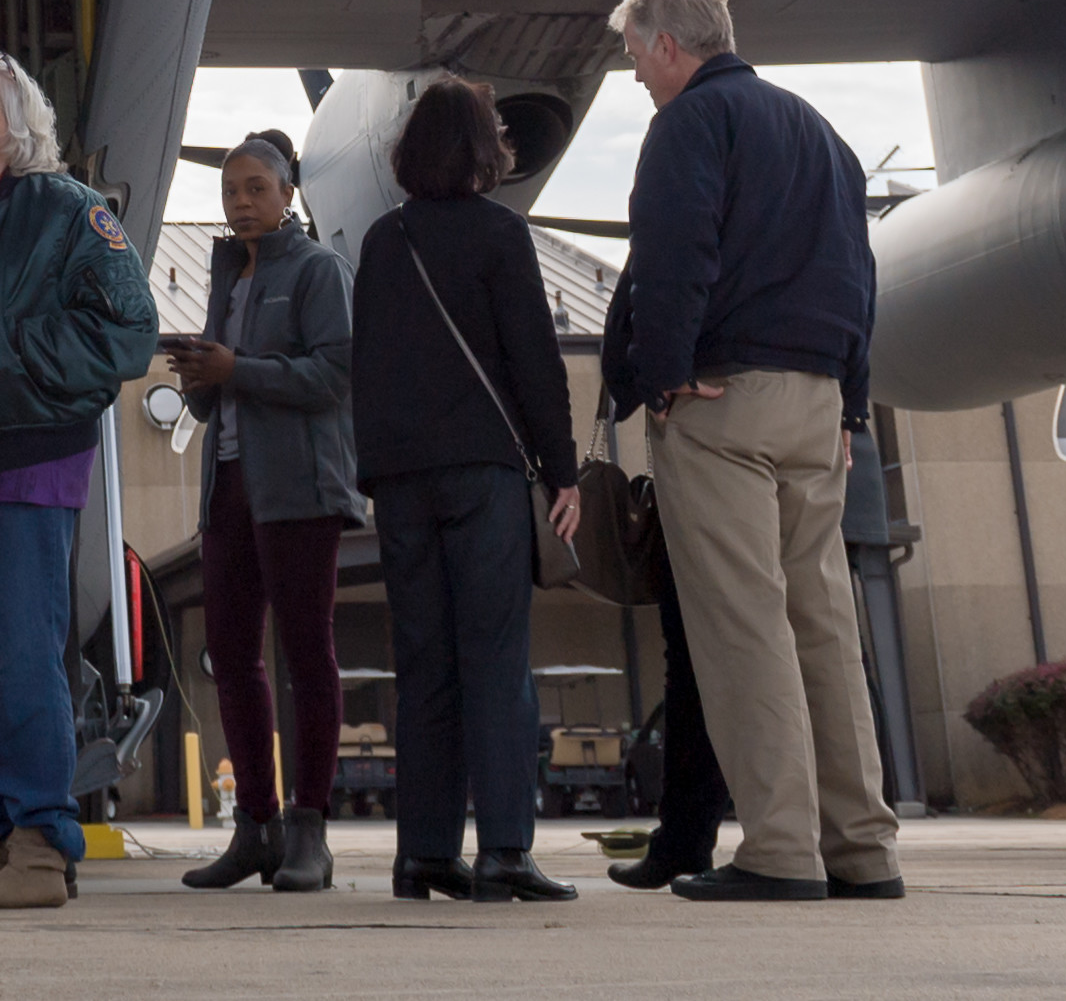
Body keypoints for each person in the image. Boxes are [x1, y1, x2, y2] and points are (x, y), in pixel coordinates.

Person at [611, 0, 896, 905]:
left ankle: (780, 846)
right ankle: (862, 845)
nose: (637, 75)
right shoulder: (822, 134)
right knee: (824, 623)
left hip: (722, 398)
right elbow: (860, 270)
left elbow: (674, 250)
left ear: (667, 44)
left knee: (743, 623)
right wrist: (852, 400)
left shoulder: (689, 123)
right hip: (821, 402)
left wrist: (662, 376)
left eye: (635, 55)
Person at [0, 52, 161, 913]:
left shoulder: (66, 208)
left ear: (20, 119)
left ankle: (41, 842)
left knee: (22, 655)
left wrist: (10, 372)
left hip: (20, 461)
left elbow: (128, 326)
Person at [351, 76, 581, 906]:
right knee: (495, 660)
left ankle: (424, 853)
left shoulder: (385, 239)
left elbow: (365, 365)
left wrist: (374, 473)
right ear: (488, 149)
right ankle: (506, 852)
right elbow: (534, 362)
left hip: (402, 480)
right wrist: (564, 471)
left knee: (425, 665)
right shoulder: (499, 234)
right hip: (482, 471)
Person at [175, 126, 355, 899]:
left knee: (306, 655)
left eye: (256, 188)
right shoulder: (227, 276)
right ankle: (256, 825)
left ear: (288, 194)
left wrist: (236, 368)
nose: (242, 202)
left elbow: (334, 373)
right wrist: (200, 376)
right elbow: (221, 387)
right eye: (229, 191)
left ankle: (309, 828)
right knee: (231, 655)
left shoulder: (318, 268)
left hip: (298, 487)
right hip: (228, 480)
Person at [594, 268, 734, 892]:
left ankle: (688, 836)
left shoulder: (689, 184)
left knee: (698, 656)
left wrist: (652, 380)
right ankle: (832, 835)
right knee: (802, 637)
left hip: (707, 433)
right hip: (806, 415)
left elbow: (628, 321)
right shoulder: (821, 175)